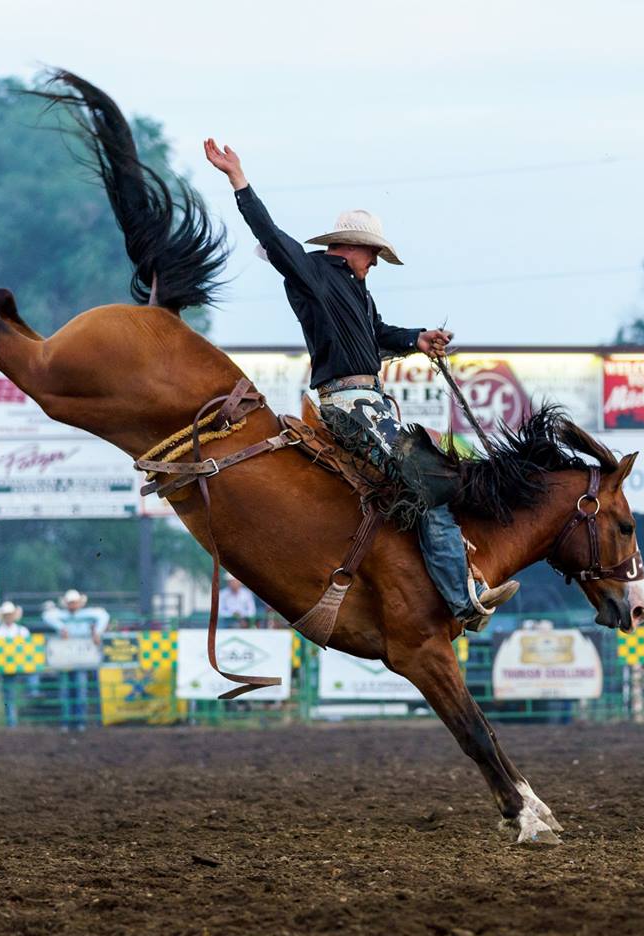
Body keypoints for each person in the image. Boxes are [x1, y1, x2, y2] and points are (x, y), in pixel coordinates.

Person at [204, 139, 519, 628]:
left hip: (371, 402)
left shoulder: (356, 292)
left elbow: (377, 334)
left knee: (431, 478)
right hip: (351, 403)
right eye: (373, 255)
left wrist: (418, 338)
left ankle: (453, 579)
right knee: (430, 484)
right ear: (354, 248)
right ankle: (462, 597)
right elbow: (269, 232)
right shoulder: (313, 273)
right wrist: (238, 180)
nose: (374, 264)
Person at [42, 589, 109, 731]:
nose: (72, 605)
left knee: (80, 689)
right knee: (65, 691)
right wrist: (61, 628)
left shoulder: (88, 614)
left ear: (79, 603)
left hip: (81, 658)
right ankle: (67, 722)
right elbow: (47, 616)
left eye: (74, 602)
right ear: (66, 604)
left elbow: (104, 616)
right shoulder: (61, 616)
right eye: (70, 603)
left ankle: (80, 722)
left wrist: (97, 631)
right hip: (65, 658)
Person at [0, 601, 31, 728]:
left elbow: (29, 649)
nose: (8, 617)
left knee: (12, 692)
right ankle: (11, 723)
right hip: (7, 668)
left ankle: (32, 691)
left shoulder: (22, 631)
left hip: (22, 667)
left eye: (10, 614)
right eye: (6, 615)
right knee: (9, 694)